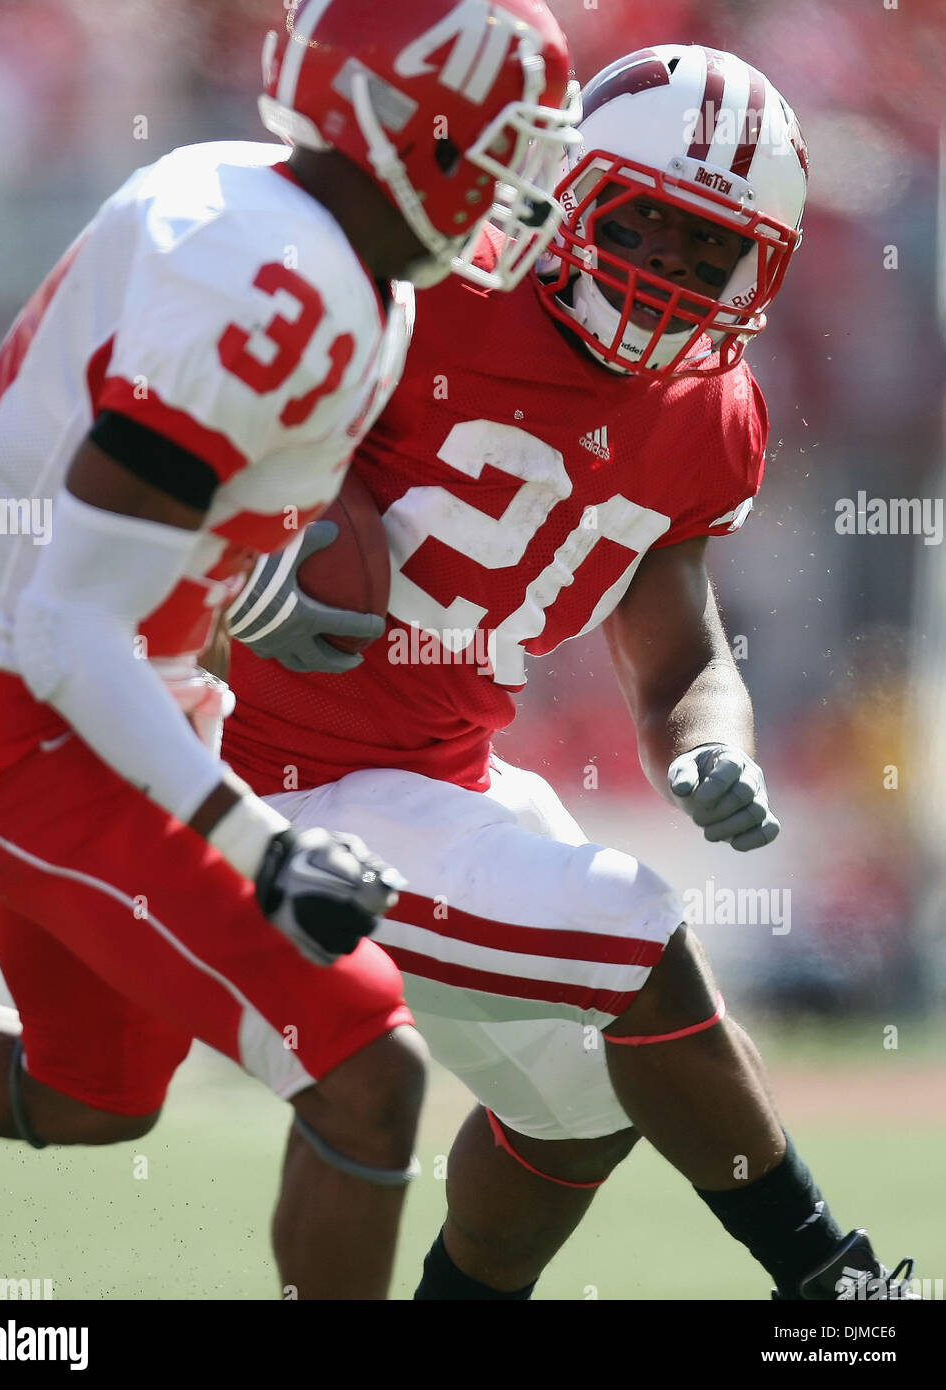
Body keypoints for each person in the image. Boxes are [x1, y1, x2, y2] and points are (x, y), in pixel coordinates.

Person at [222, 44, 915, 1300]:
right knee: (631, 928)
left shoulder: (712, 413)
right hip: (257, 772)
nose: (671, 278)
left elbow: (679, 648)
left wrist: (712, 743)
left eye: (714, 254)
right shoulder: (418, 281)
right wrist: (242, 566)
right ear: (563, 188)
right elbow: (179, 453)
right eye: (649, 224)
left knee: (586, 1102)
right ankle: (840, 1296)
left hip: (432, 776)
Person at [0, 0, 578, 1300]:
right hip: (13, 699)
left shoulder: (264, 211)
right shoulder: (276, 279)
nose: (517, 191)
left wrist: (238, 580)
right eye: (501, 150)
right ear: (414, 134)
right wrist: (260, 842)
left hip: (86, 679)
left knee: (93, 1095)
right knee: (367, 1067)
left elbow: (142, 511)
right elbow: (66, 621)